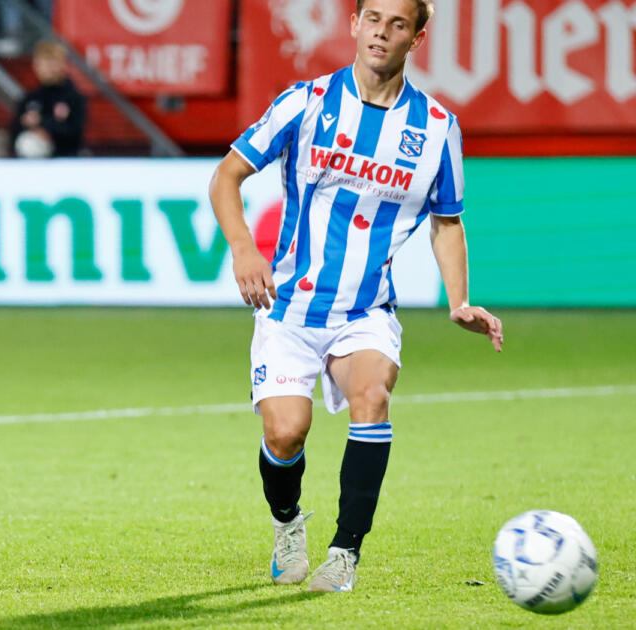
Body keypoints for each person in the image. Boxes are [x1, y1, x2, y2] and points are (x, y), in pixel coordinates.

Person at [209, 0, 503, 593]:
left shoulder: (437, 128)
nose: (381, 33)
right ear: (354, 24)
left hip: (366, 311)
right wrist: (243, 248)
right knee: (285, 433)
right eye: (372, 18)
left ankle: (344, 553)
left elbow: (448, 220)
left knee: (372, 395)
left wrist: (458, 300)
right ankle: (288, 524)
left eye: (398, 24)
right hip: (289, 308)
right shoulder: (305, 102)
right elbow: (227, 175)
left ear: (417, 38)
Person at [7, 39, 87, 158]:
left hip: (65, 162)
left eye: (51, 63)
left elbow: (75, 134)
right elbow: (13, 135)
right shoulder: (31, 98)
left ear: (62, 64)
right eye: (41, 63)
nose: (46, 69)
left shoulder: (73, 97)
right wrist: (27, 127)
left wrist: (44, 127)